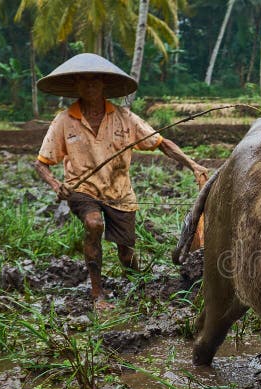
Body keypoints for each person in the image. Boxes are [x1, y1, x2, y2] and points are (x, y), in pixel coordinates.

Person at [33, 53, 208, 311]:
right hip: (82, 189)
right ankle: (98, 295)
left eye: (95, 80)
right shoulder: (64, 120)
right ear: (76, 86)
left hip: (119, 192)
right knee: (93, 224)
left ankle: (138, 286)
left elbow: (161, 143)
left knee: (126, 253)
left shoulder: (124, 117)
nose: (90, 85)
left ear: (104, 85)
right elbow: (41, 163)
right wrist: (56, 184)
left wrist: (192, 164)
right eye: (84, 80)